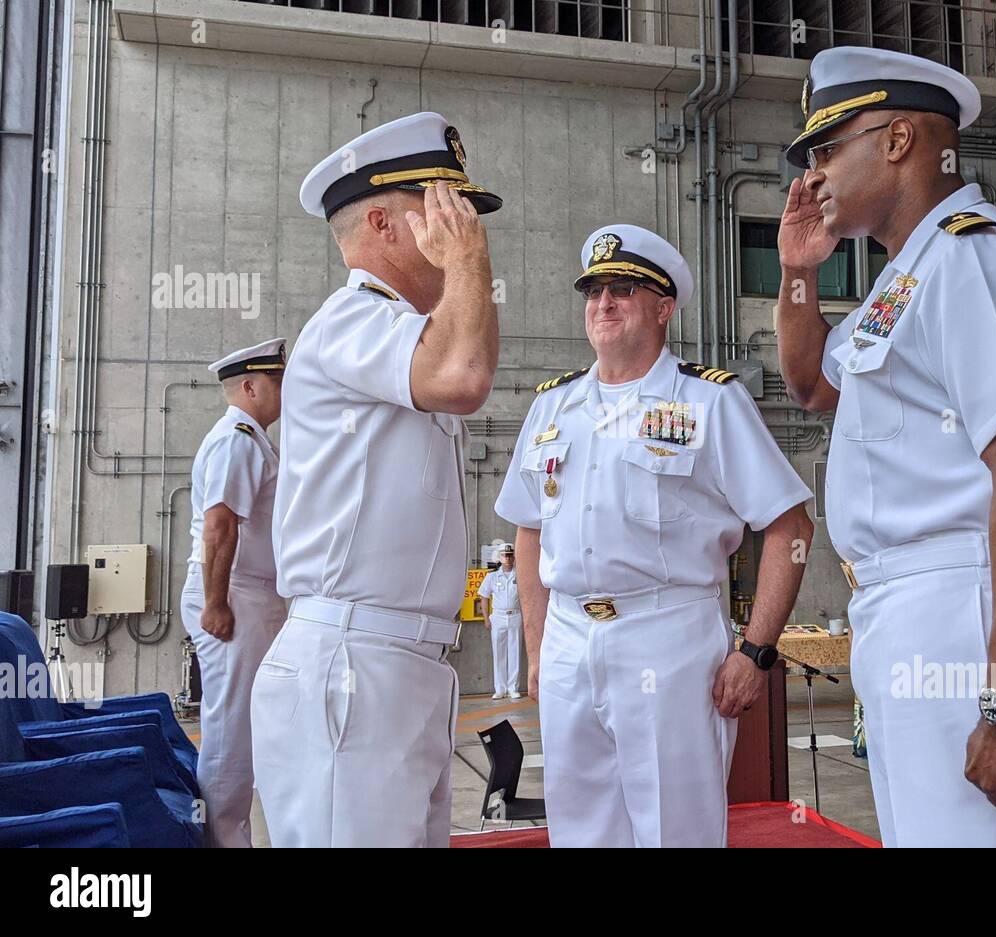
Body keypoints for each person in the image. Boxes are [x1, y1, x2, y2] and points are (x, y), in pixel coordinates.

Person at [774, 46, 996, 847]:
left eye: (826, 150)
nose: (812, 176)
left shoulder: (974, 258)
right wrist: (798, 271)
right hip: (911, 608)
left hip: (968, 605)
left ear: (898, 139)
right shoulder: (907, 278)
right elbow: (812, 383)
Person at [496, 223, 814, 847]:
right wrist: (536, 649)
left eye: (623, 290)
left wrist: (755, 651)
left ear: (664, 308)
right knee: (579, 829)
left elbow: (789, 524)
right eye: (594, 292)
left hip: (668, 637)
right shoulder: (553, 406)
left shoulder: (707, 401)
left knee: (675, 829)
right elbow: (529, 528)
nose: (604, 303)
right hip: (567, 638)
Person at [251, 112, 501, 847]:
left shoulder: (401, 332)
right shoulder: (351, 320)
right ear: (384, 224)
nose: (459, 225)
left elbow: (463, 365)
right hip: (354, 663)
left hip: (401, 665)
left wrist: (465, 271)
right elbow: (464, 376)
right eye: (440, 206)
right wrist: (468, 265)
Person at [180, 338, 288, 848]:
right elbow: (220, 527)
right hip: (234, 594)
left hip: (248, 593)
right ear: (249, 387)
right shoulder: (237, 440)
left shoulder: (253, 440)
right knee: (231, 731)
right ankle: (223, 840)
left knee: (247, 723)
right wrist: (216, 603)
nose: (284, 390)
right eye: (276, 381)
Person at [476, 544, 522, 700]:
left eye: (510, 555)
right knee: (499, 654)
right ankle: (500, 689)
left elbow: (527, 597)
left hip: (515, 615)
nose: (507, 558)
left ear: (514, 557)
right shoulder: (492, 577)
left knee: (515, 653)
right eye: (504, 555)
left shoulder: (520, 575)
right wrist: (486, 618)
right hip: (498, 617)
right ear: (499, 557)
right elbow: (484, 596)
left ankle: (513, 688)